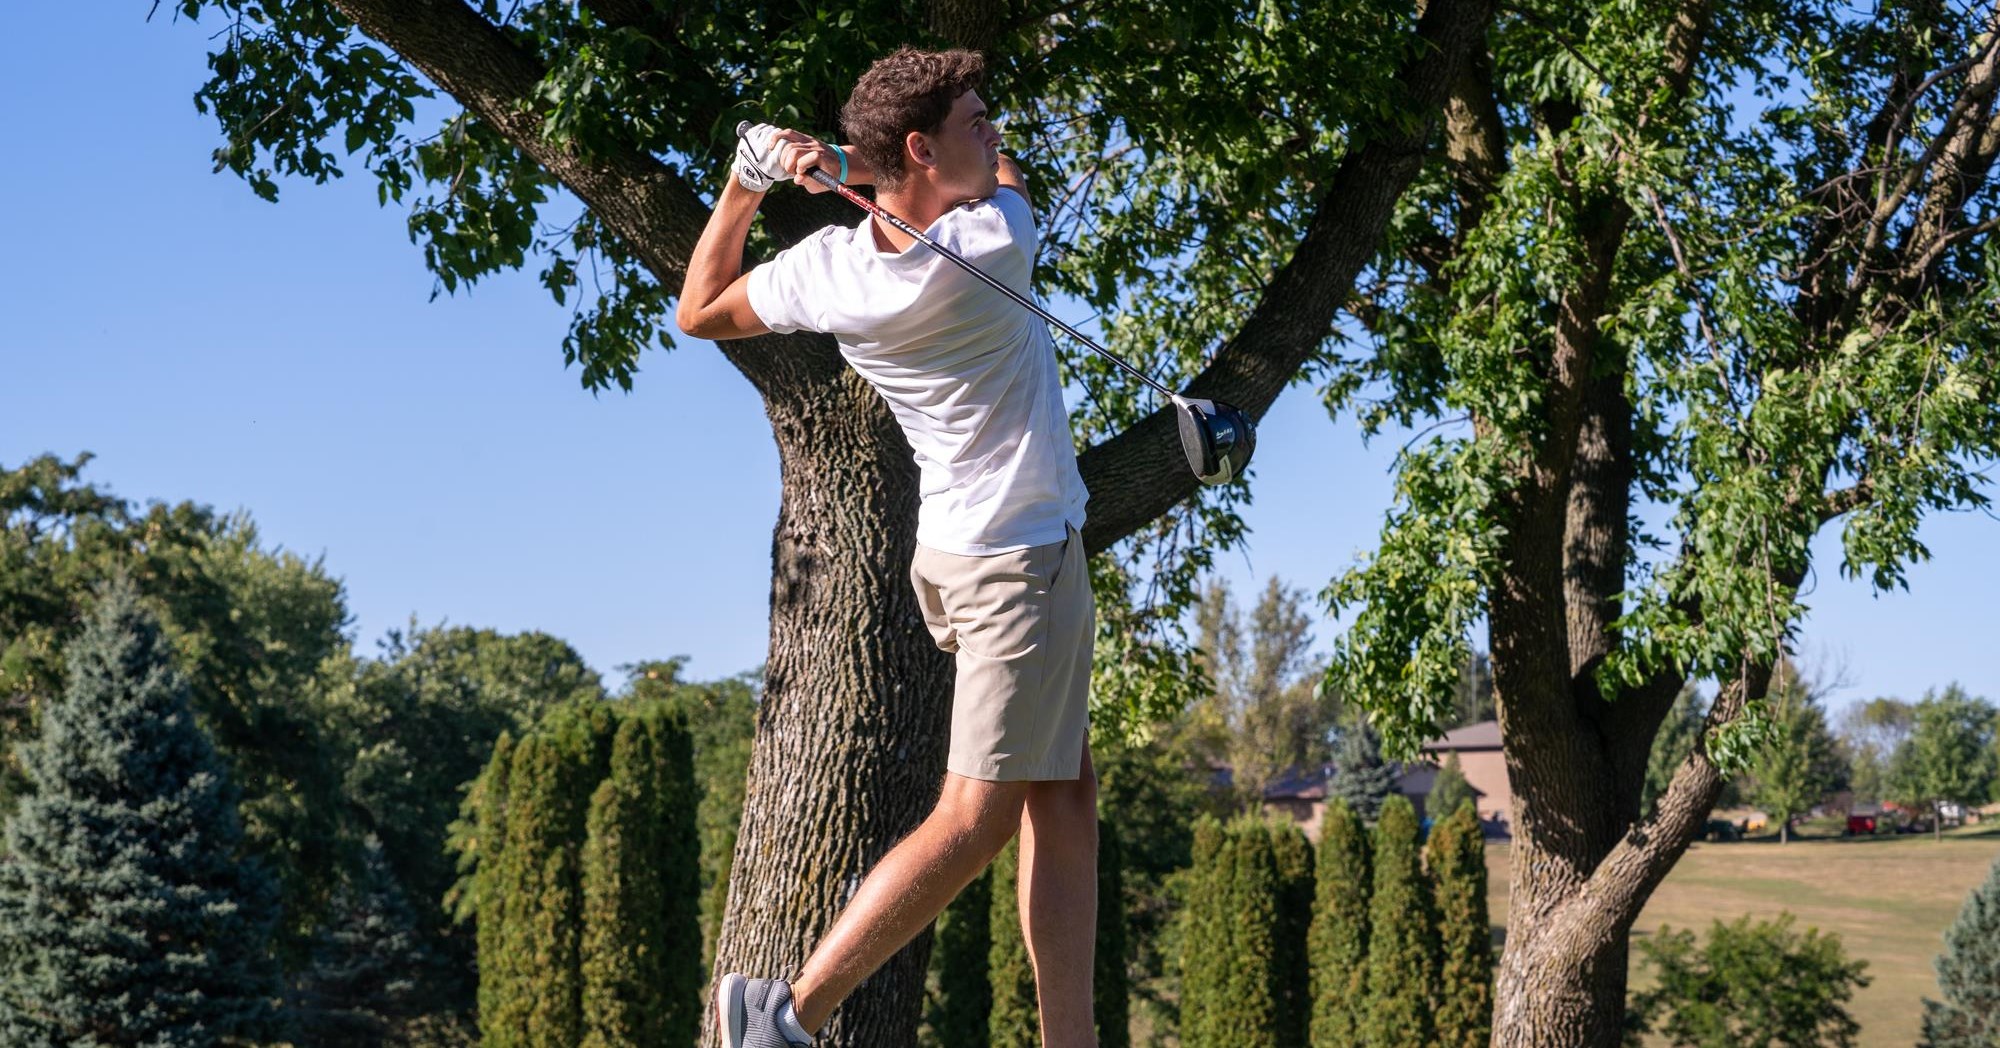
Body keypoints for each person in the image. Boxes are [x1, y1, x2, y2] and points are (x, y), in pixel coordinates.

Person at [676, 46, 1099, 1048]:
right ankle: (784, 1012)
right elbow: (1004, 184)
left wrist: (750, 180)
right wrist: (843, 159)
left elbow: (698, 309)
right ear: (922, 148)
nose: (992, 133)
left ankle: (1068, 1036)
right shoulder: (993, 242)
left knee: (1062, 785)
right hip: (1017, 563)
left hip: (957, 555)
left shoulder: (827, 273)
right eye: (973, 120)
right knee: (976, 817)